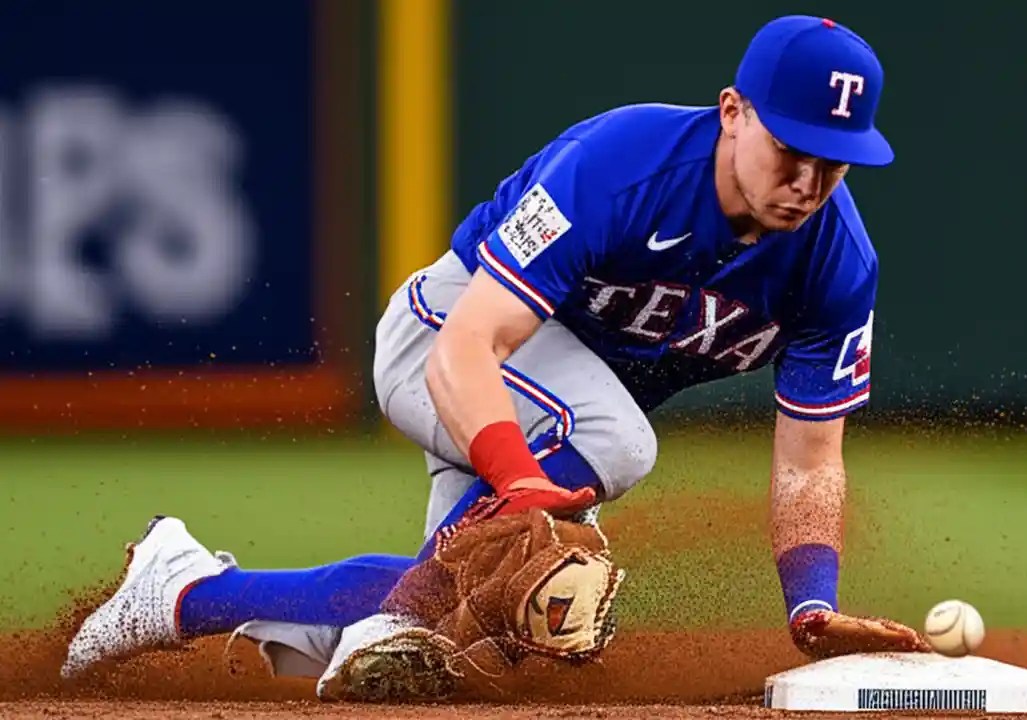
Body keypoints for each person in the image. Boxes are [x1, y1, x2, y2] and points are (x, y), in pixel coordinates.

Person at [60, 14, 930, 700]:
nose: (808, 185)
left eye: (836, 166)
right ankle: (344, 606)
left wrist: (812, 603)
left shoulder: (837, 266)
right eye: (792, 152)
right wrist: (519, 485)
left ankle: (184, 594)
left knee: (473, 618)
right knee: (621, 447)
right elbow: (469, 347)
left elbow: (811, 459)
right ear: (733, 112)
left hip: (547, 411)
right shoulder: (621, 166)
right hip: (444, 346)